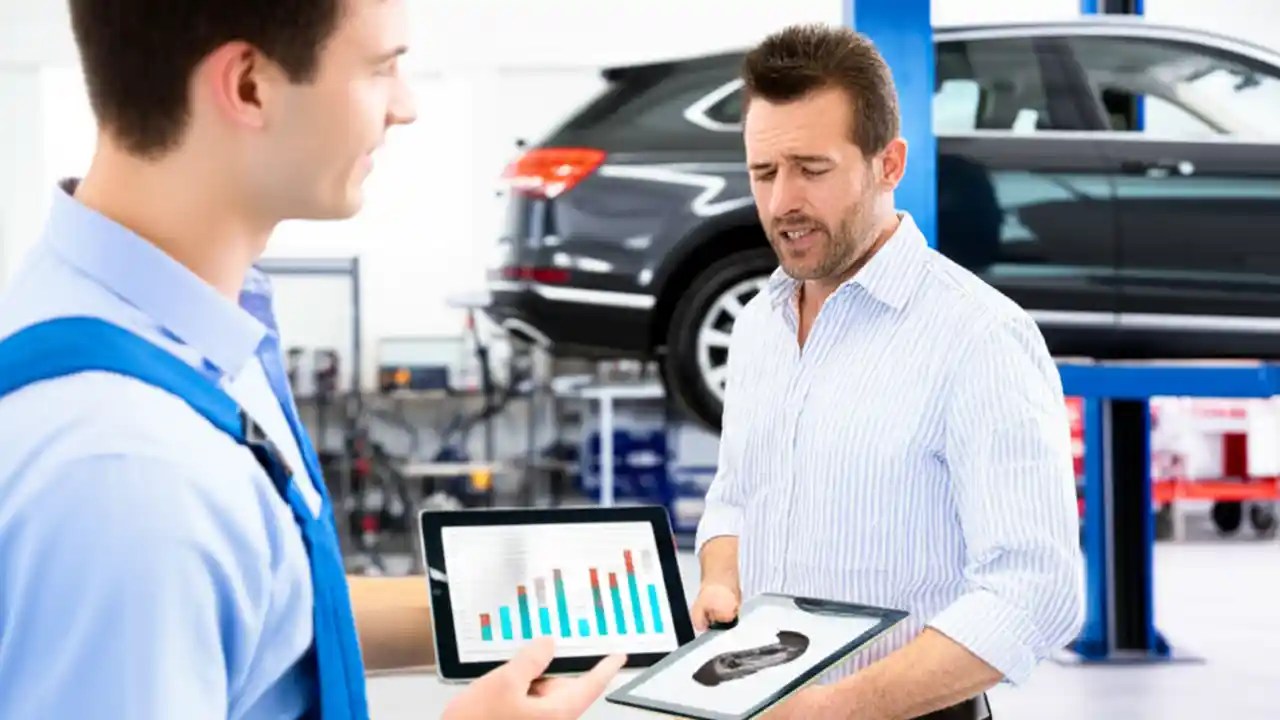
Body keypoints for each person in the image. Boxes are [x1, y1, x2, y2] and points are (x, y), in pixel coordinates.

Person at [0, 1, 624, 718]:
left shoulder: (157, 322)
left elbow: (266, 607)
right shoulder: (128, 480)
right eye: (381, 68)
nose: (406, 106)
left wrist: (529, 605)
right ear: (249, 86)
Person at [689, 24, 1085, 720]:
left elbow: (1035, 591)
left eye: (812, 170)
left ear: (889, 164)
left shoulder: (979, 337)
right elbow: (736, 498)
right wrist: (722, 581)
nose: (781, 203)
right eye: (764, 173)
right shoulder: (757, 327)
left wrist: (838, 709)